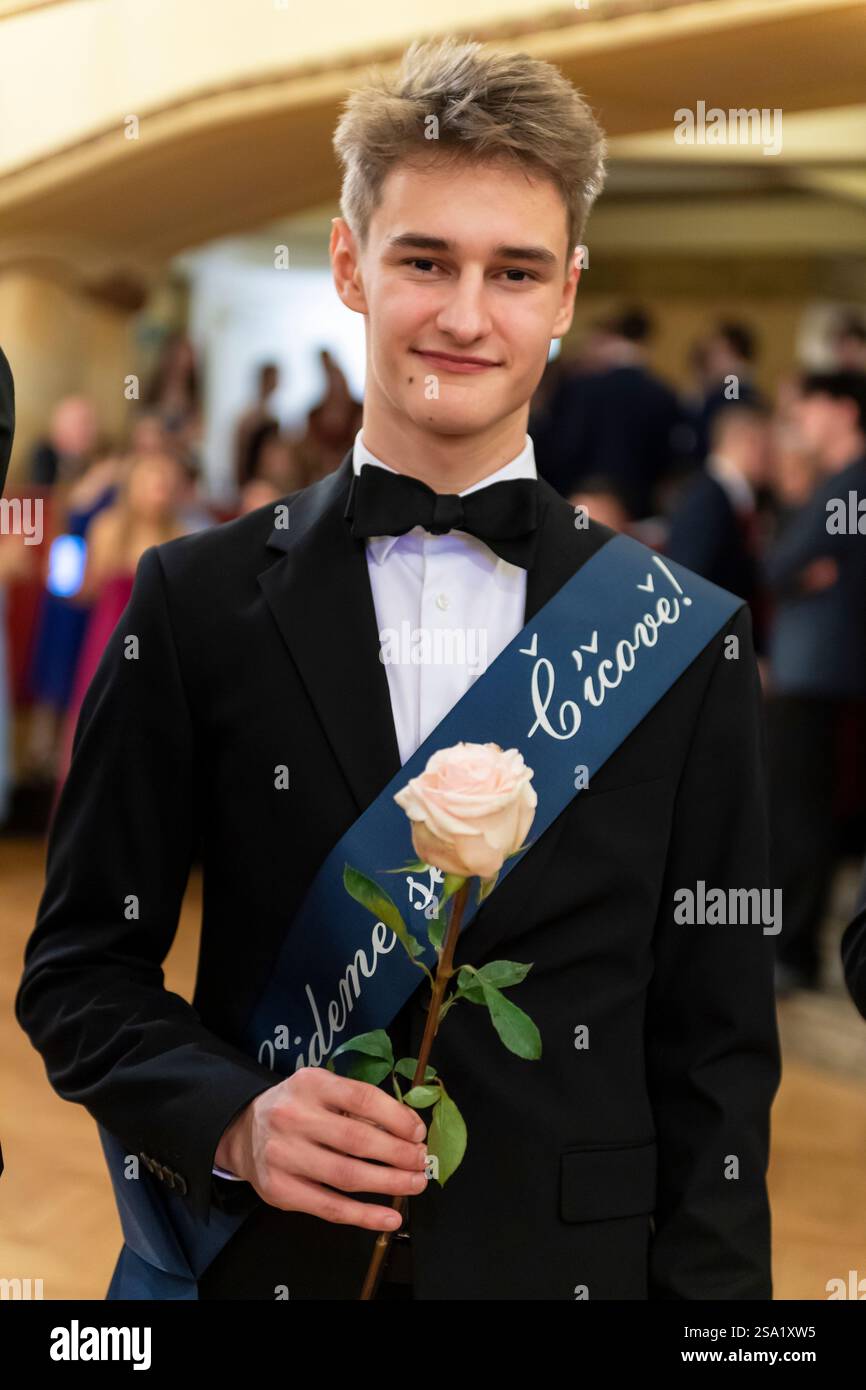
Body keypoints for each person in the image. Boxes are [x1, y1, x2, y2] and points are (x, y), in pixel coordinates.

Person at [17, 36, 780, 1302]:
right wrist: (233, 1120)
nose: (466, 315)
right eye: (424, 259)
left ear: (568, 292)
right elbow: (80, 971)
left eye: (515, 271)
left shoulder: (686, 638)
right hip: (265, 1272)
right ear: (347, 263)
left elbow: (717, 1059)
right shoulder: (195, 602)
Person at [763, 370, 866, 994]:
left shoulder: (851, 482)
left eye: (812, 403)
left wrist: (802, 571)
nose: (799, 414)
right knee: (799, 813)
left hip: (823, 675)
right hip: (817, 672)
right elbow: (790, 567)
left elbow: (781, 564)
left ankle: (794, 953)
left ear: (844, 410)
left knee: (801, 817)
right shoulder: (834, 482)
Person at [665, 404, 772, 653]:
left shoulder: (726, 497)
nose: (773, 456)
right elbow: (692, 584)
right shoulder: (707, 500)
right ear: (748, 441)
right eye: (768, 445)